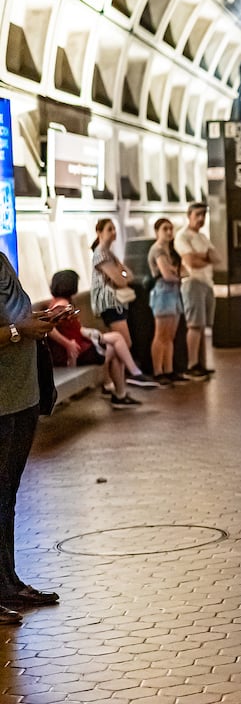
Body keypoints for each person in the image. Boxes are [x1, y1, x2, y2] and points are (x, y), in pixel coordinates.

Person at [0, 252, 60, 624]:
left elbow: (14, 317)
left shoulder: (2, 260)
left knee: (7, 495)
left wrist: (39, 321)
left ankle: (8, 583)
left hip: (20, 396)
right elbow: (11, 328)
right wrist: (22, 331)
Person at [45, 270, 143, 409]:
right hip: (76, 351)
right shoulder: (61, 305)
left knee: (116, 341)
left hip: (79, 345)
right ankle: (125, 384)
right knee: (115, 349)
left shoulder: (59, 302)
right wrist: (67, 344)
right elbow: (50, 328)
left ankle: (120, 386)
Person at [90, 218, 158, 389]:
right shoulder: (101, 254)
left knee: (120, 344)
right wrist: (122, 277)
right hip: (109, 302)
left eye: (114, 229)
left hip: (117, 302)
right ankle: (125, 375)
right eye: (109, 229)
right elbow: (120, 279)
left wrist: (123, 276)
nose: (113, 233)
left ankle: (114, 382)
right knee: (124, 342)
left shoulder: (110, 254)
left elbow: (129, 275)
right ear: (99, 233)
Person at [175, 202, 220, 379]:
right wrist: (204, 257)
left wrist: (200, 256)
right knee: (194, 325)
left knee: (201, 326)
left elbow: (217, 257)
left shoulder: (202, 237)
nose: (201, 218)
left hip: (207, 283)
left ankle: (201, 362)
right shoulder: (182, 236)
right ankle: (191, 364)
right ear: (189, 215)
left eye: (204, 215)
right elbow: (190, 261)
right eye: (197, 215)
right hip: (192, 282)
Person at [147, 218, 187, 384]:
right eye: (165, 229)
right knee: (161, 334)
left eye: (171, 229)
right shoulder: (157, 250)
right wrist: (175, 273)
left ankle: (169, 369)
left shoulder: (171, 252)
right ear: (157, 231)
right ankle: (158, 371)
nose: (169, 232)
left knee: (170, 335)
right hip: (163, 293)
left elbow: (182, 272)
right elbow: (167, 274)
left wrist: (175, 273)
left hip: (174, 293)